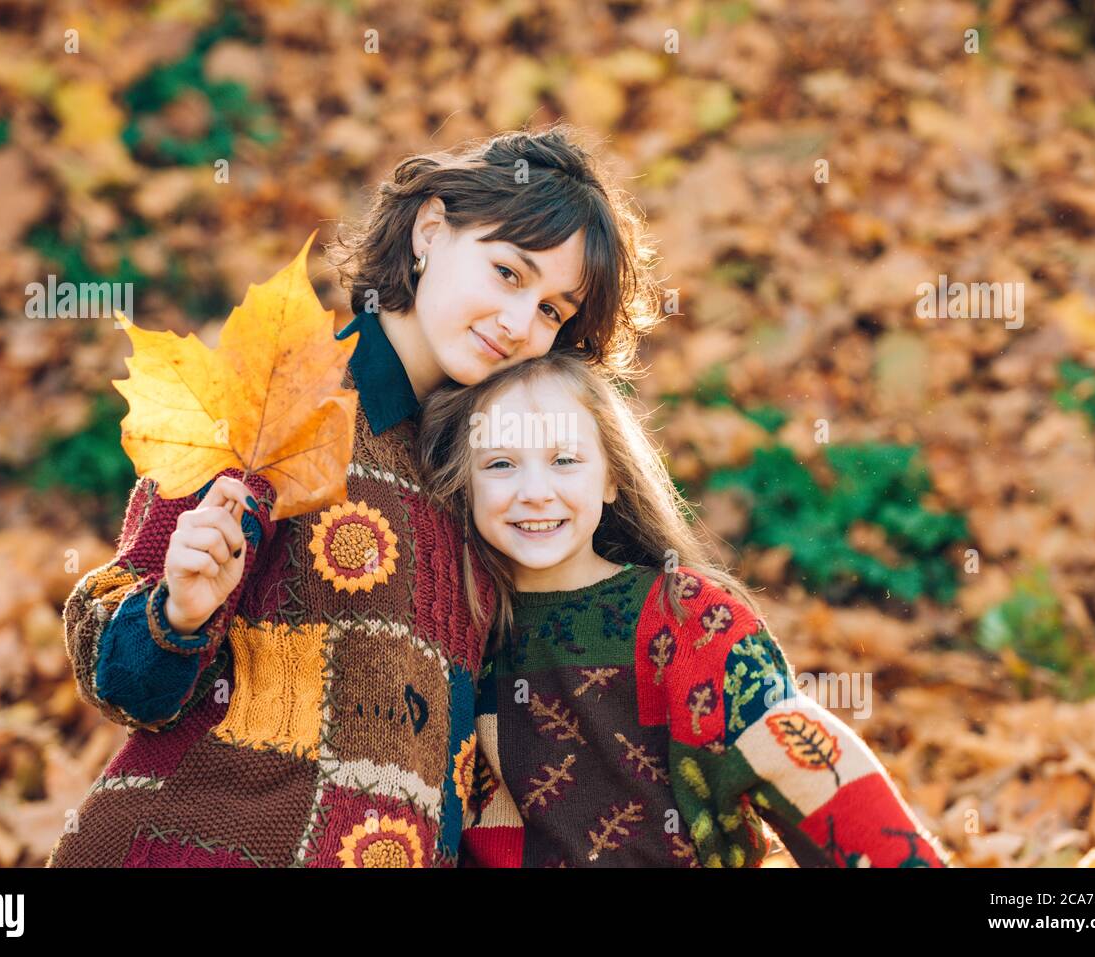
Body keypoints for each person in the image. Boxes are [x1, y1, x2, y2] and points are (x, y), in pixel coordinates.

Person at [47, 124, 666, 867]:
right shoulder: (285, 399)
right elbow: (116, 680)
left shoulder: (492, 490)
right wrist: (176, 613)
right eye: (508, 273)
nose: (517, 323)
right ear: (431, 230)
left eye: (551, 311)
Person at [416, 350, 954, 867]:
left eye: (564, 460)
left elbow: (799, 763)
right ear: (464, 482)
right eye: (502, 463)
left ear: (611, 478)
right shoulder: (456, 628)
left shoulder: (682, 620)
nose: (535, 491)